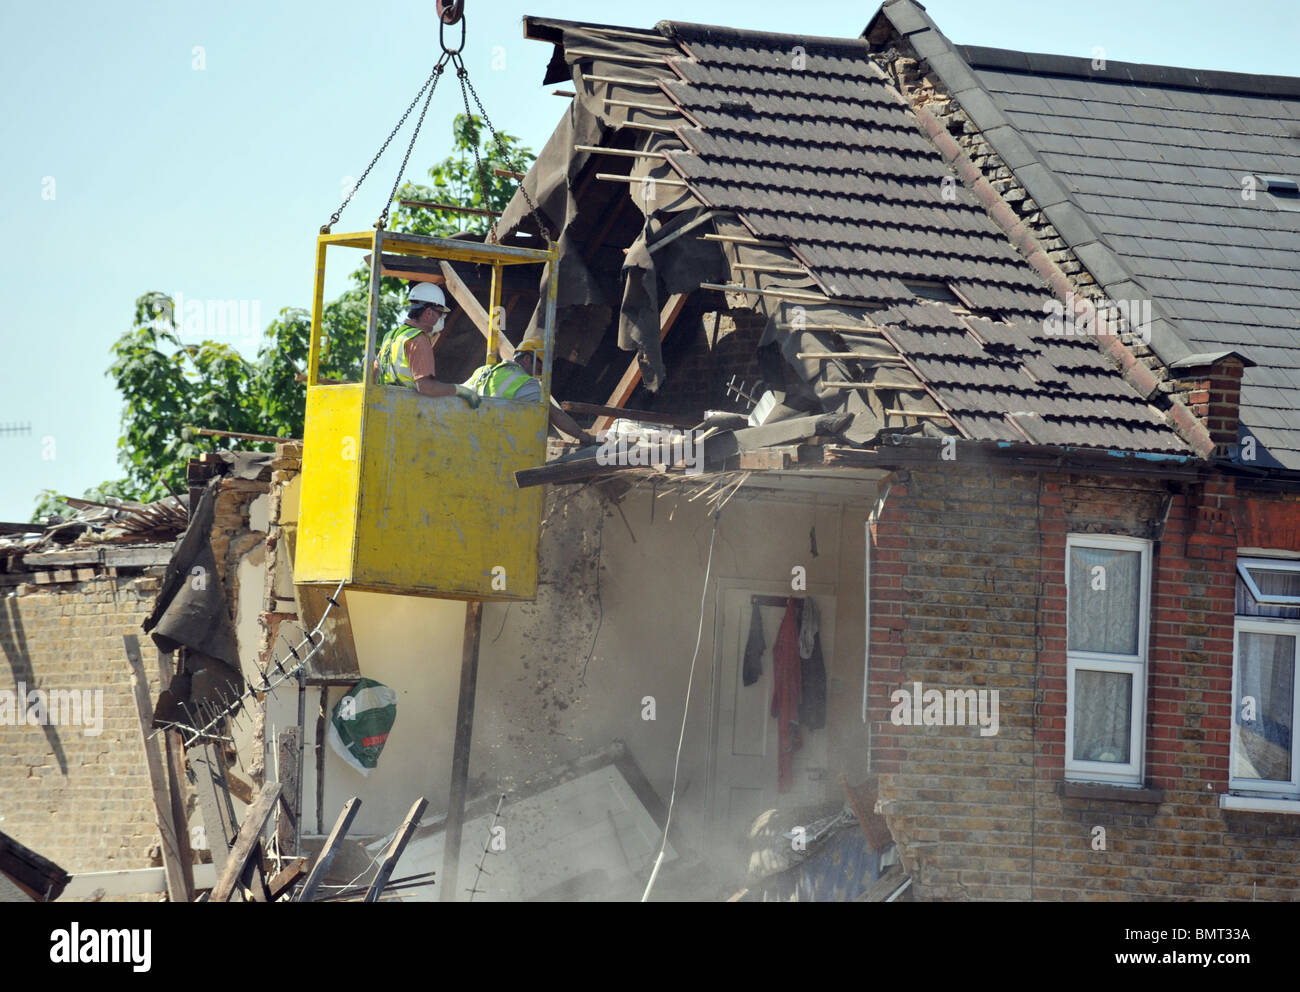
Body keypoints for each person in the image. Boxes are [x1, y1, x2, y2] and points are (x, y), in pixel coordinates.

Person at [463, 337, 596, 445]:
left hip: (463, 434)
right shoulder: (526, 383)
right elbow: (554, 414)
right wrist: (582, 435)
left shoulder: (484, 371)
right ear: (527, 359)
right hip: (493, 443)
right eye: (540, 367)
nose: (539, 374)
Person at [373, 282, 480, 407]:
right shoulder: (418, 339)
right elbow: (426, 387)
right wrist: (460, 390)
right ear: (429, 313)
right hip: (406, 409)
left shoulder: (391, 335)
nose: (442, 318)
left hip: (386, 405)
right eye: (441, 313)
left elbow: (374, 372)